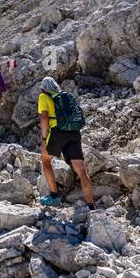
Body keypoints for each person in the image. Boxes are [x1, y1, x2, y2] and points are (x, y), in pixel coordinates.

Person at [37, 76, 94, 208]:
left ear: (43, 88)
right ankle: (91, 205)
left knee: (45, 160)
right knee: (81, 170)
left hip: (57, 132)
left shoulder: (43, 97)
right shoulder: (64, 95)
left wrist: (44, 139)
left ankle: (53, 195)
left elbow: (44, 118)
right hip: (73, 132)